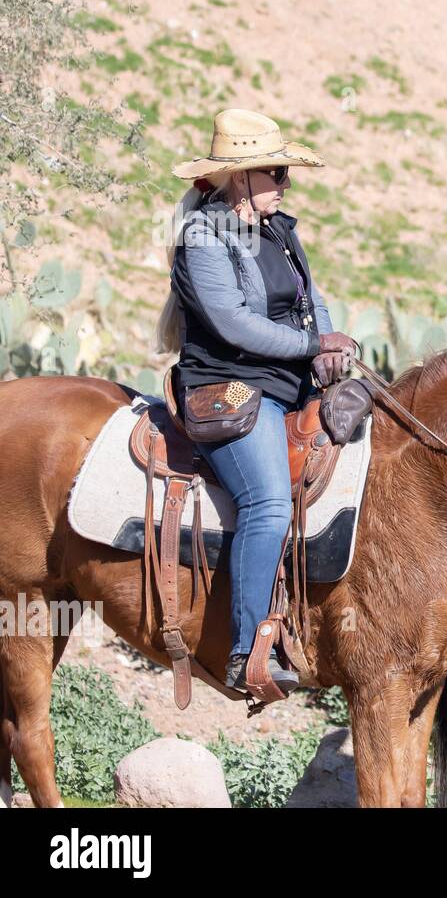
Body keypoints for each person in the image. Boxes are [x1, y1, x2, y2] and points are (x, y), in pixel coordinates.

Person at [157, 108, 356, 694]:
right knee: (268, 502)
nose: (285, 183)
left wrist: (324, 347)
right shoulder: (204, 237)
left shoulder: (279, 229)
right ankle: (248, 652)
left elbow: (310, 298)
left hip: (290, 382)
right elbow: (233, 324)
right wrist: (310, 344)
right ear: (240, 176)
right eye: (275, 172)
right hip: (231, 387)